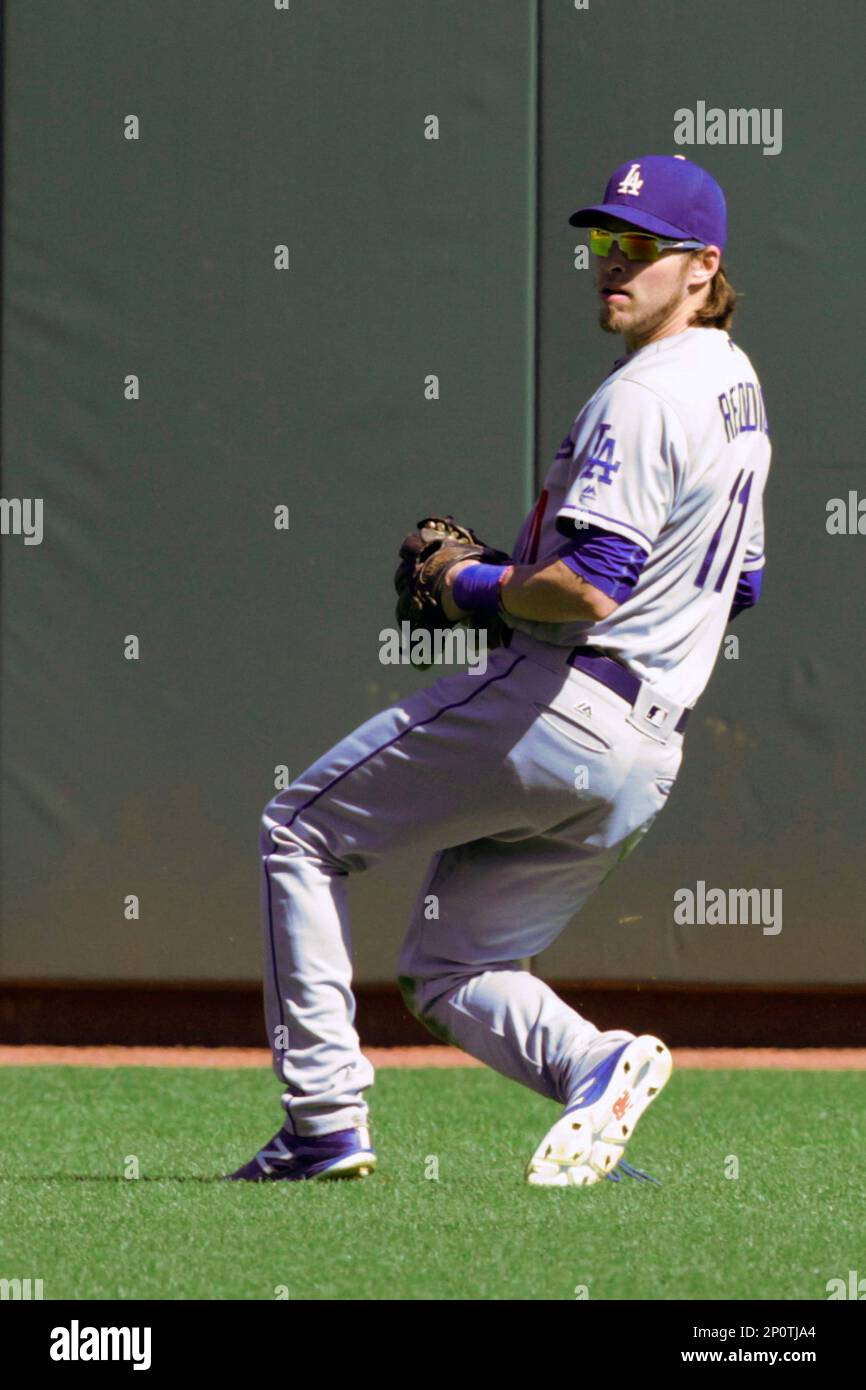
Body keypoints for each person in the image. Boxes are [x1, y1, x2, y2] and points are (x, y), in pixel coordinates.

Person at [227, 155, 769, 1187]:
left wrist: (473, 584)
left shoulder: (643, 394)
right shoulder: (735, 388)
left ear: (700, 267)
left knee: (297, 830)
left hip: (562, 703)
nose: (610, 262)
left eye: (638, 247)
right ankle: (596, 1064)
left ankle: (322, 1121)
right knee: (449, 963)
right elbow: (733, 586)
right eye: (602, 239)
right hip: (647, 754)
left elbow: (590, 588)